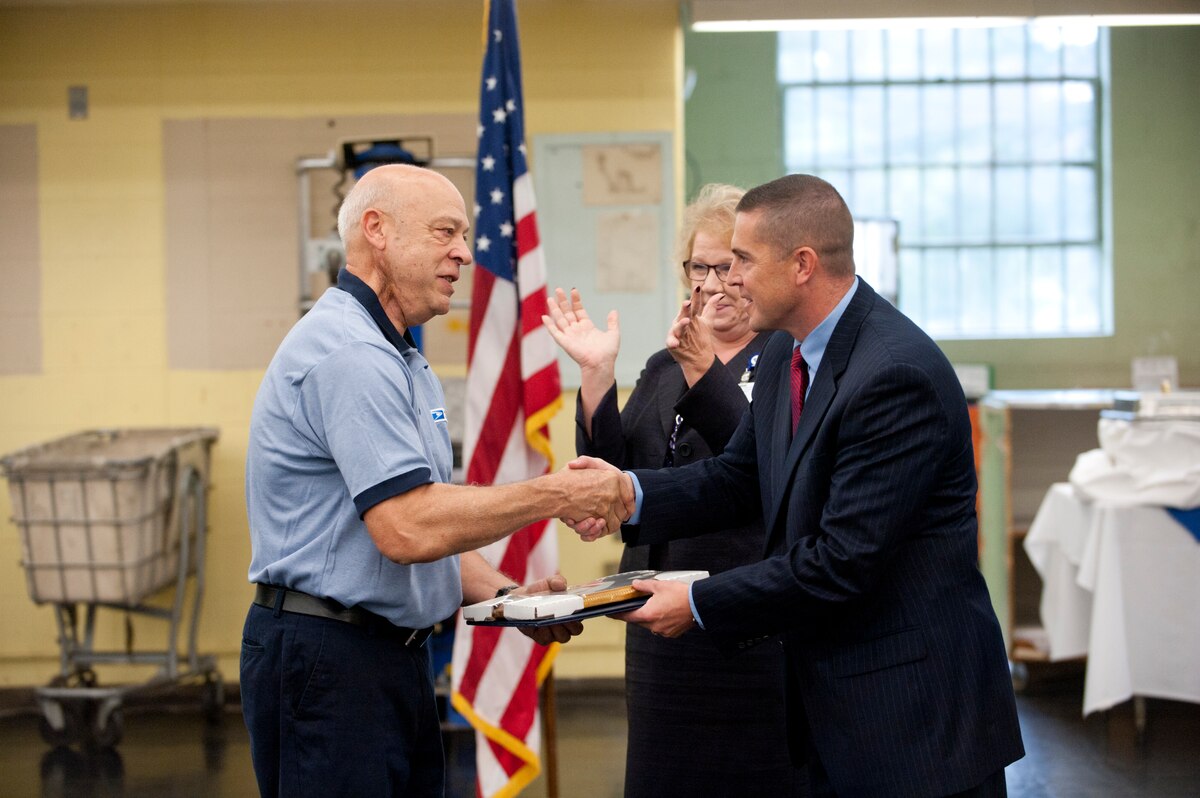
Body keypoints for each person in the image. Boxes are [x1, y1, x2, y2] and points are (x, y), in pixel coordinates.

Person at [569, 174, 1025, 797]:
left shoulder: (892, 374)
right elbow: (737, 476)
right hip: (826, 710)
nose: (728, 282)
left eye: (743, 262)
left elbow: (842, 561)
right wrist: (629, 493)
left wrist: (700, 603)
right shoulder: (792, 354)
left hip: (910, 721)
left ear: (802, 265)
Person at [240, 164, 633, 798]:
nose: (464, 254)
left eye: (466, 235)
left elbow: (416, 531)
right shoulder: (350, 355)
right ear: (378, 231)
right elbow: (405, 527)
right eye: (445, 232)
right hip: (330, 661)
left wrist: (510, 599)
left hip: (384, 658)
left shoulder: (398, 357)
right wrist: (555, 493)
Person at [542, 183, 803, 797]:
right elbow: (616, 479)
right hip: (655, 620)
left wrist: (704, 372)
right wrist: (596, 378)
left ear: (756, 270)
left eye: (729, 266)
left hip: (743, 619)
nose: (712, 283)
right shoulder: (665, 364)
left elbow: (763, 470)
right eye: (699, 267)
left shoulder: (787, 356)